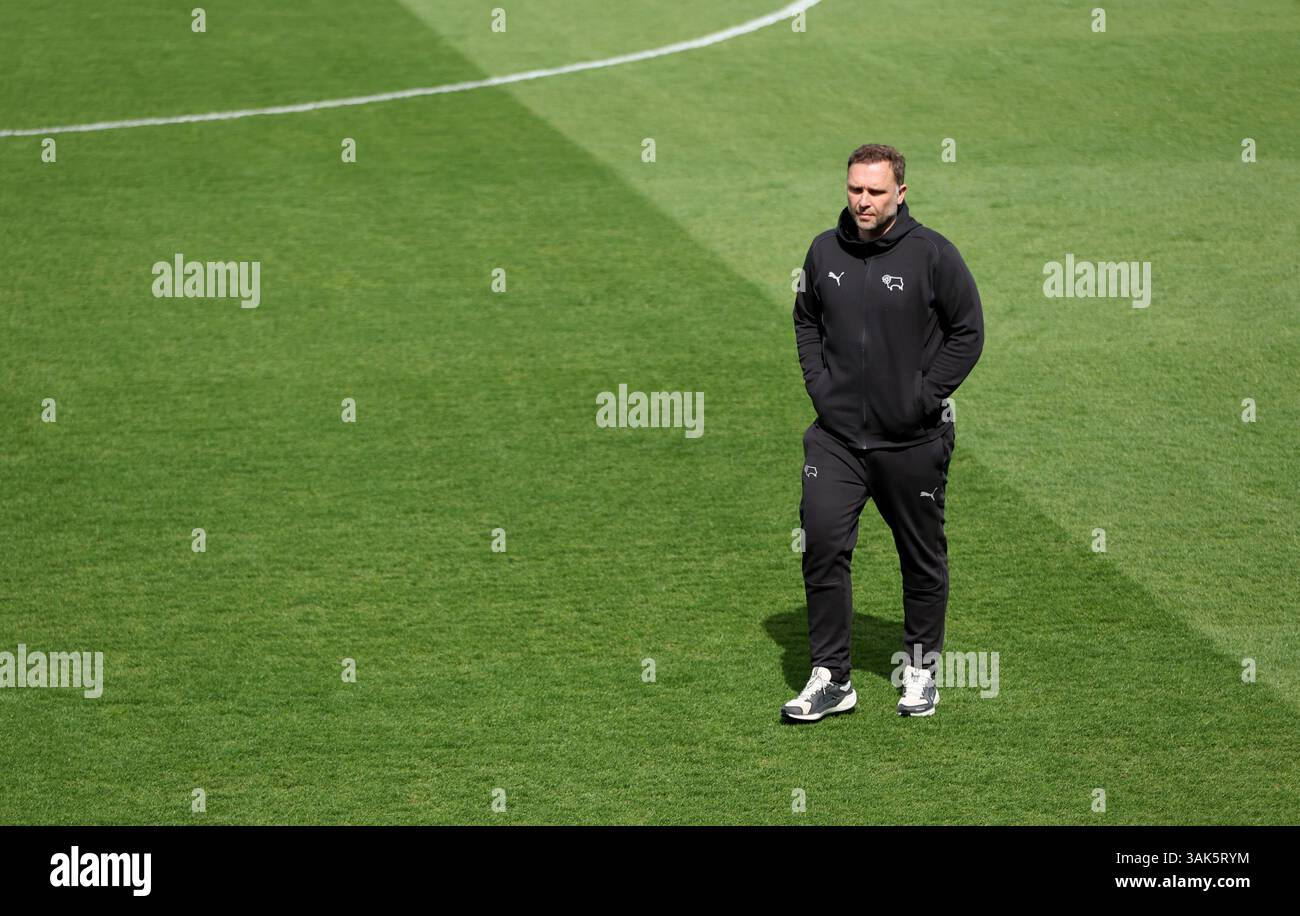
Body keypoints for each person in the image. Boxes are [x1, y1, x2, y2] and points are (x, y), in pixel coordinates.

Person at [781, 144, 984, 722]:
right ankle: (831, 677)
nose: (862, 201)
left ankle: (919, 671)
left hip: (912, 441)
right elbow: (805, 318)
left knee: (920, 558)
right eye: (854, 189)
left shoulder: (933, 255)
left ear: (901, 192)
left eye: (874, 191)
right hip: (837, 439)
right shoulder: (824, 252)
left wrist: (924, 395)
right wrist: (820, 385)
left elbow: (968, 331)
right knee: (821, 544)